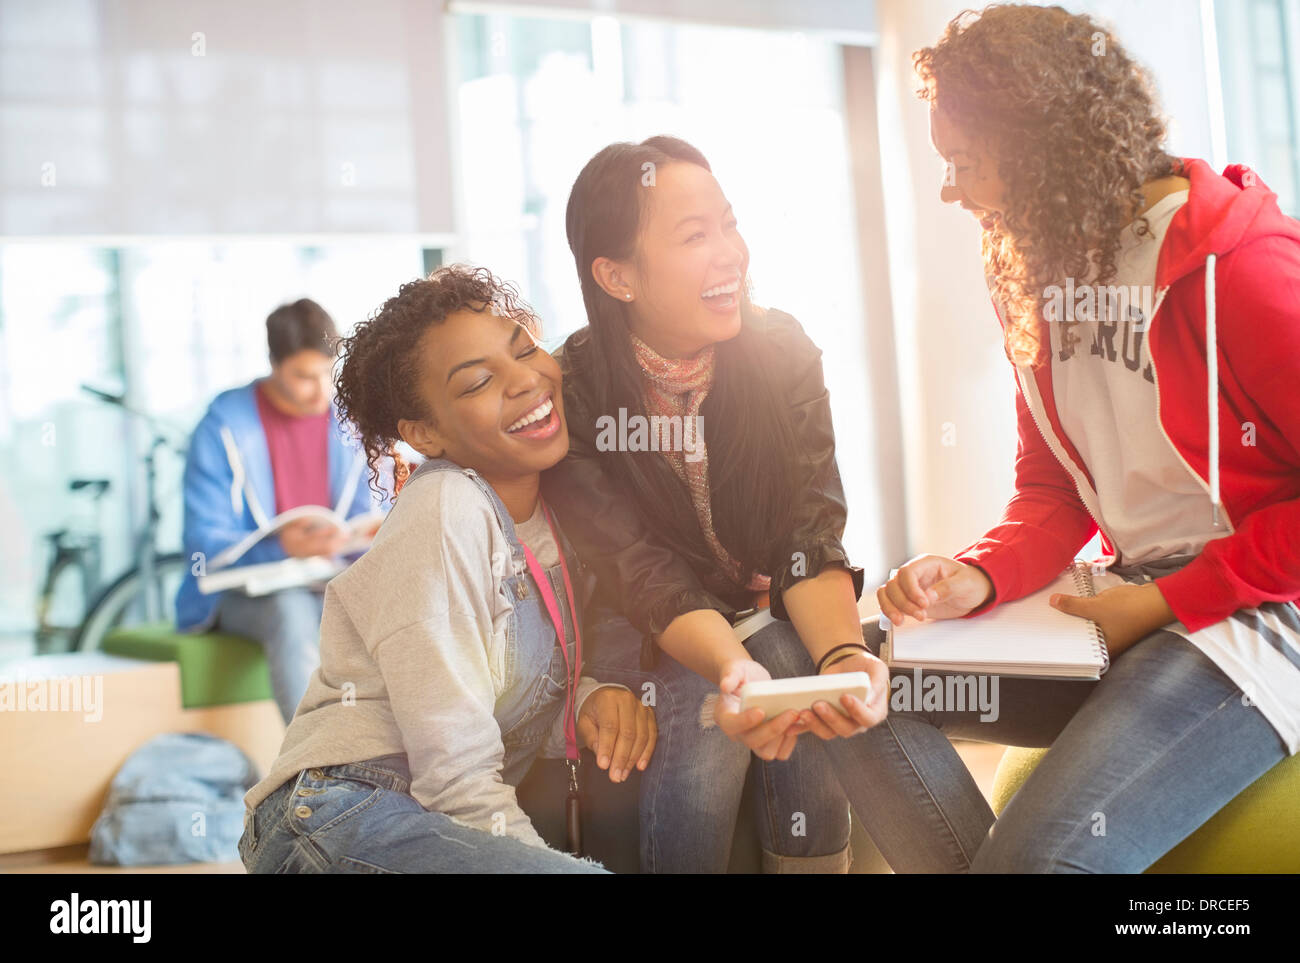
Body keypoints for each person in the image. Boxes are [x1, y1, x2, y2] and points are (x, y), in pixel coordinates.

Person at [847, 2, 1299, 872]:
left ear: (1041, 150)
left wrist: (1165, 604)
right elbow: (1054, 492)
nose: (951, 189)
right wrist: (979, 573)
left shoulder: (1241, 269)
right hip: (1132, 594)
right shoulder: (1041, 266)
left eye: (964, 163)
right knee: (858, 675)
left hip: (1256, 613)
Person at [542, 136, 891, 873]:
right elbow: (643, 573)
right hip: (644, 627)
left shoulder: (781, 350)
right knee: (708, 715)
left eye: (729, 224)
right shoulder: (575, 389)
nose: (731, 253)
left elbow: (810, 529)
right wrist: (736, 672)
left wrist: (846, 653)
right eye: (695, 236)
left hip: (765, 602)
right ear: (617, 275)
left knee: (805, 672)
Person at [239, 265, 654, 874]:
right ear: (424, 432)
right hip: (337, 811)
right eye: (480, 381)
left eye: (526, 349)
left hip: (419, 814)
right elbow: (456, 775)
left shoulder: (555, 513)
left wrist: (588, 693)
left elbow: (507, 679)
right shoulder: (447, 507)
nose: (525, 381)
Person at [175, 298, 381, 724]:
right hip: (242, 593)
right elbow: (201, 542)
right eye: (304, 376)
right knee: (292, 611)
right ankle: (314, 768)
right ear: (273, 363)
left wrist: (376, 534)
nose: (322, 391)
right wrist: (280, 547)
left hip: (330, 578)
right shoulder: (223, 424)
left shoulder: (347, 420)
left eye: (328, 372)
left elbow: (368, 510)